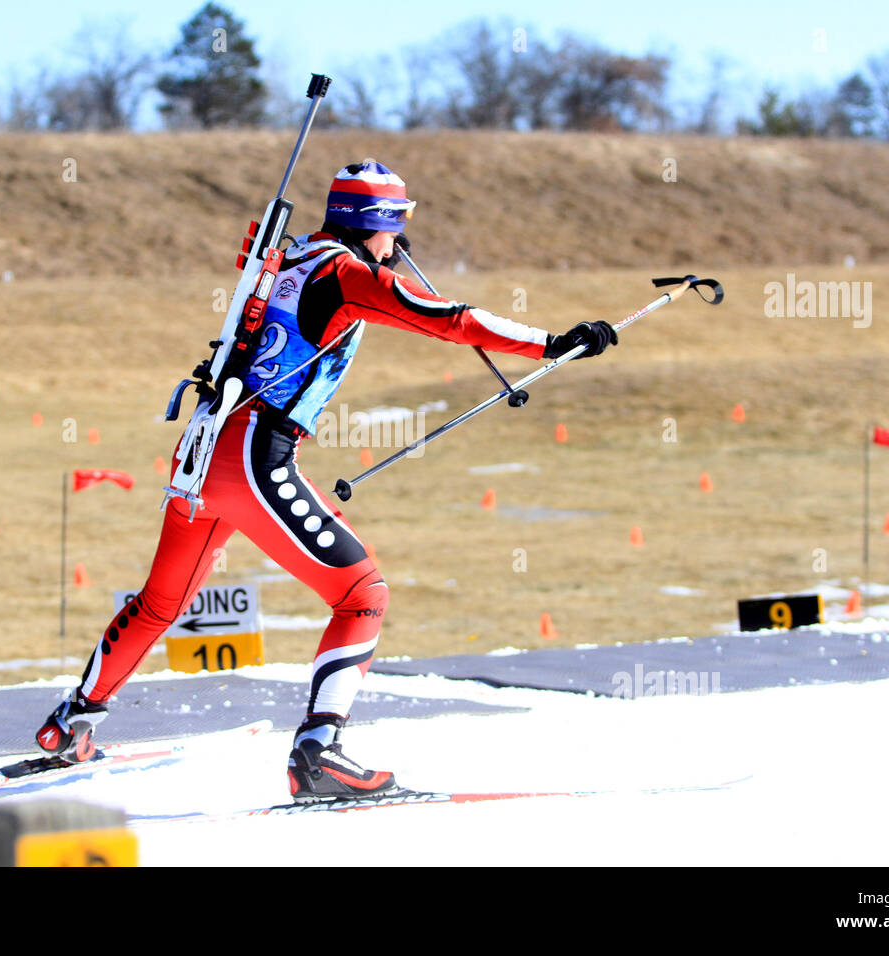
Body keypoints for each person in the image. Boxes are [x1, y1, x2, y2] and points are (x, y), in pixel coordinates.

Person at [35, 159, 617, 802]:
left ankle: (73, 722)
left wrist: (381, 264)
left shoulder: (291, 259)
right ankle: (320, 751)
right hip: (255, 452)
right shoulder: (347, 275)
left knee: (160, 605)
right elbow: (446, 318)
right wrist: (554, 343)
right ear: (381, 224)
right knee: (362, 594)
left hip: (202, 449)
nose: (400, 240)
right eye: (398, 226)